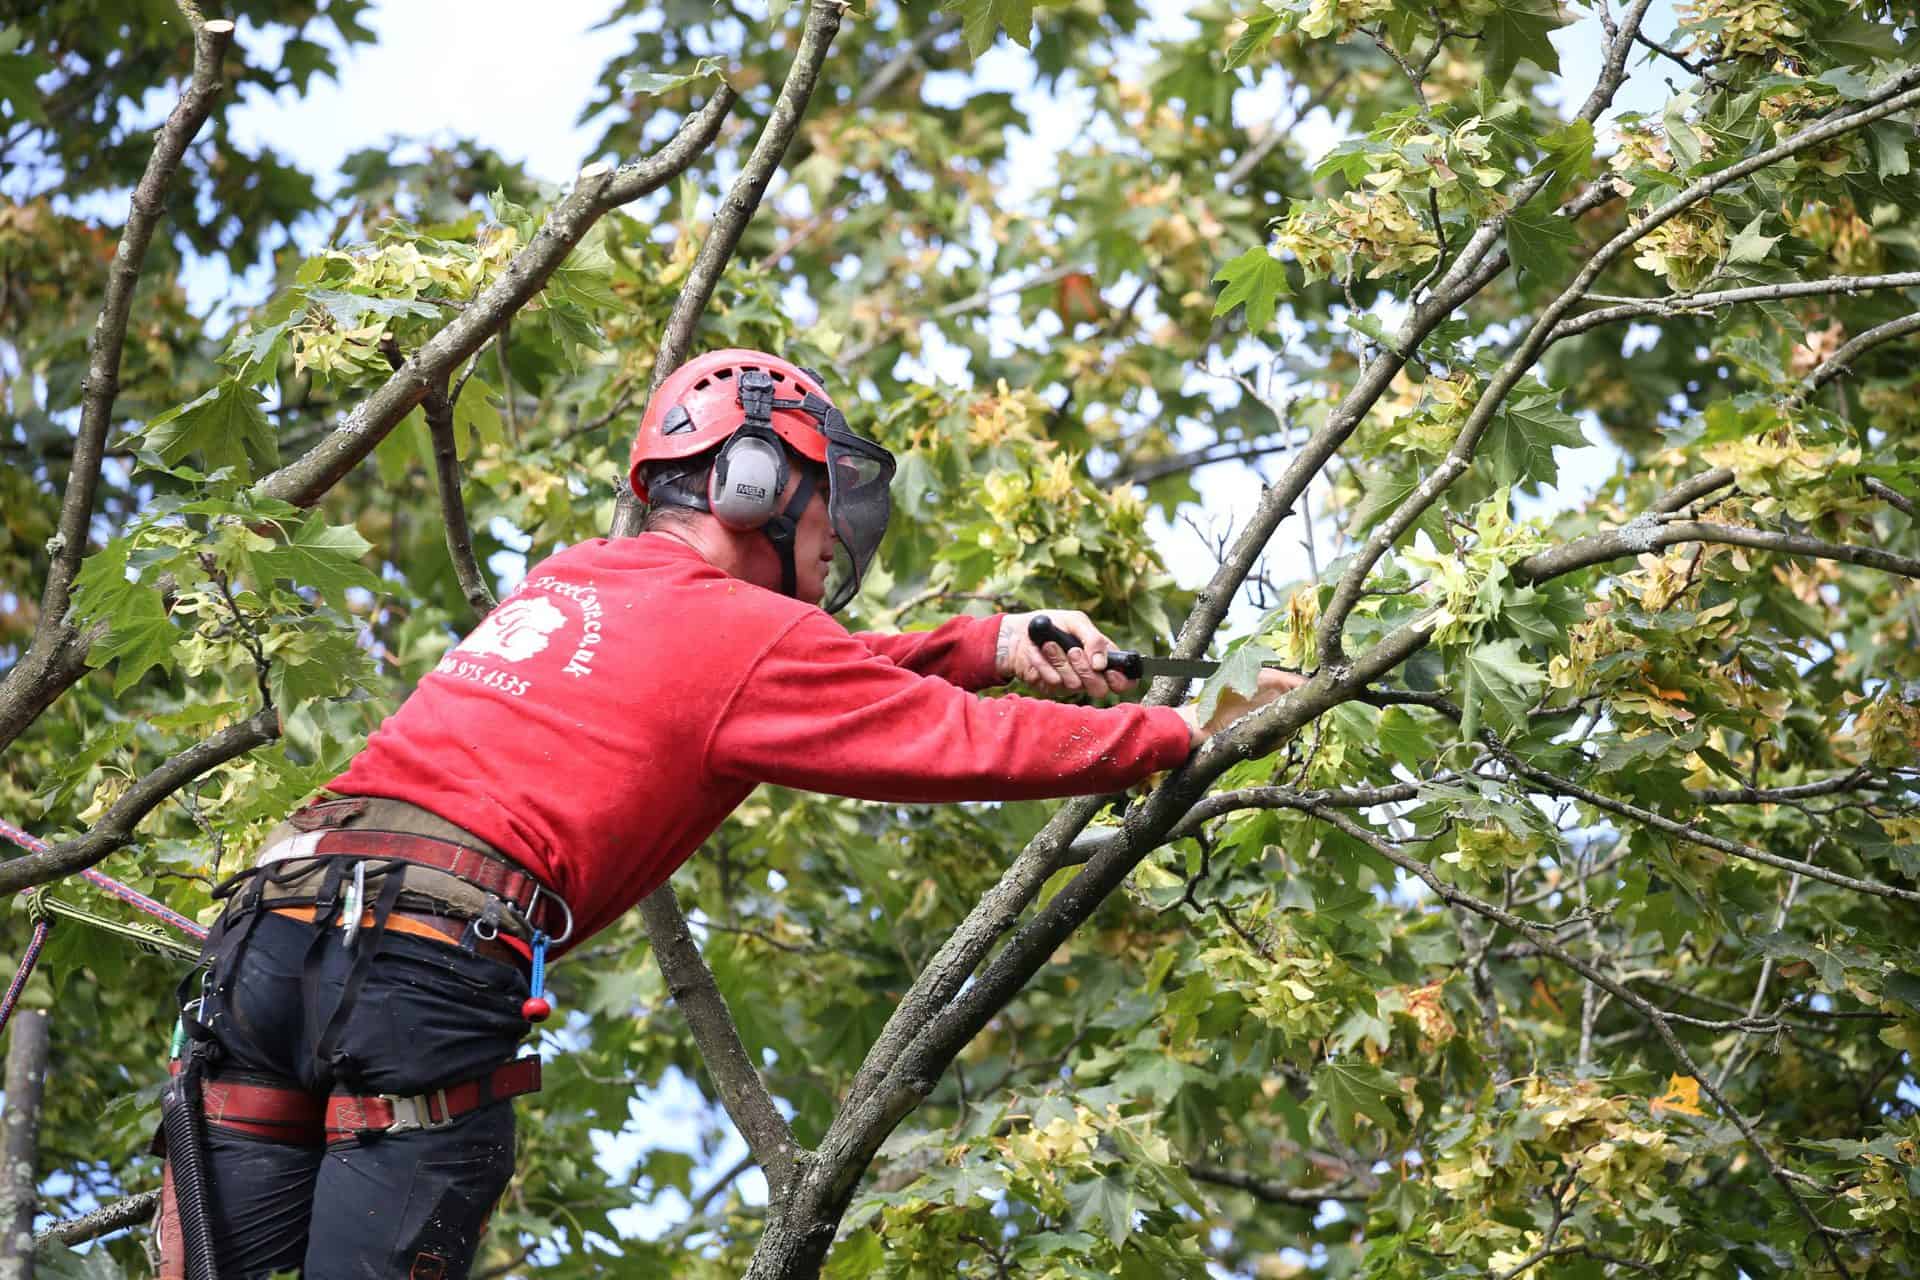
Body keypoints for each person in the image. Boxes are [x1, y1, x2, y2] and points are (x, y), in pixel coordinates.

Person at [159, 349, 1303, 1279]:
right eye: (828, 498)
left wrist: (985, 640)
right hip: (419, 968)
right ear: (754, 482)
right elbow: (949, 736)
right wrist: (1186, 731)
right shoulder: (740, 637)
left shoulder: (579, 575)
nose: (834, 536)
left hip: (269, 935)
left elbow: (778, 669)